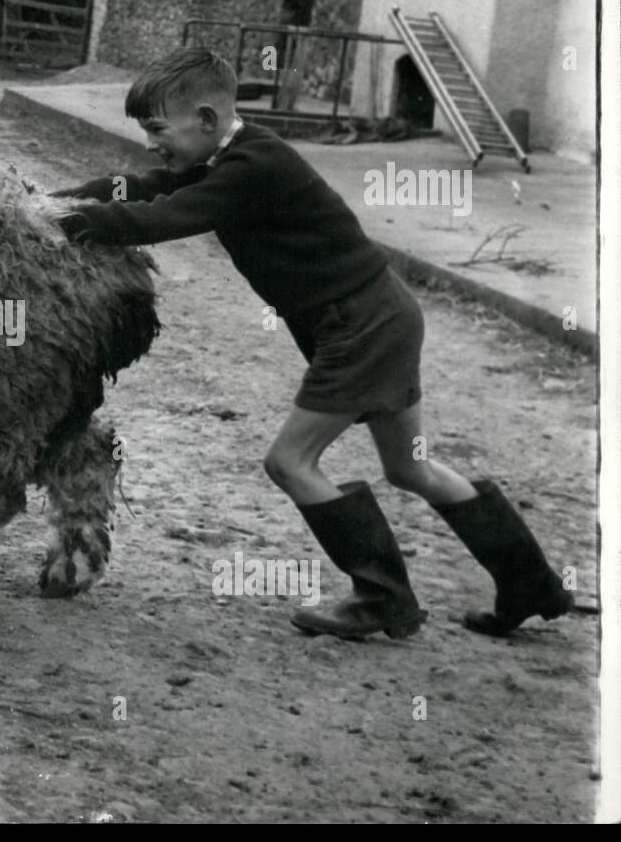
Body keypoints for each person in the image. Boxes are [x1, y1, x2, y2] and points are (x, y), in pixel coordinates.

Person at [54, 46, 573, 639]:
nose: (150, 143)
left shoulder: (253, 168)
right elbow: (141, 186)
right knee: (412, 467)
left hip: (363, 326)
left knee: (290, 463)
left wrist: (70, 225)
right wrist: (57, 200)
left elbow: (163, 217)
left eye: (155, 128)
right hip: (384, 313)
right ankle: (532, 583)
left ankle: (382, 598)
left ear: (205, 119)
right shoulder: (228, 156)